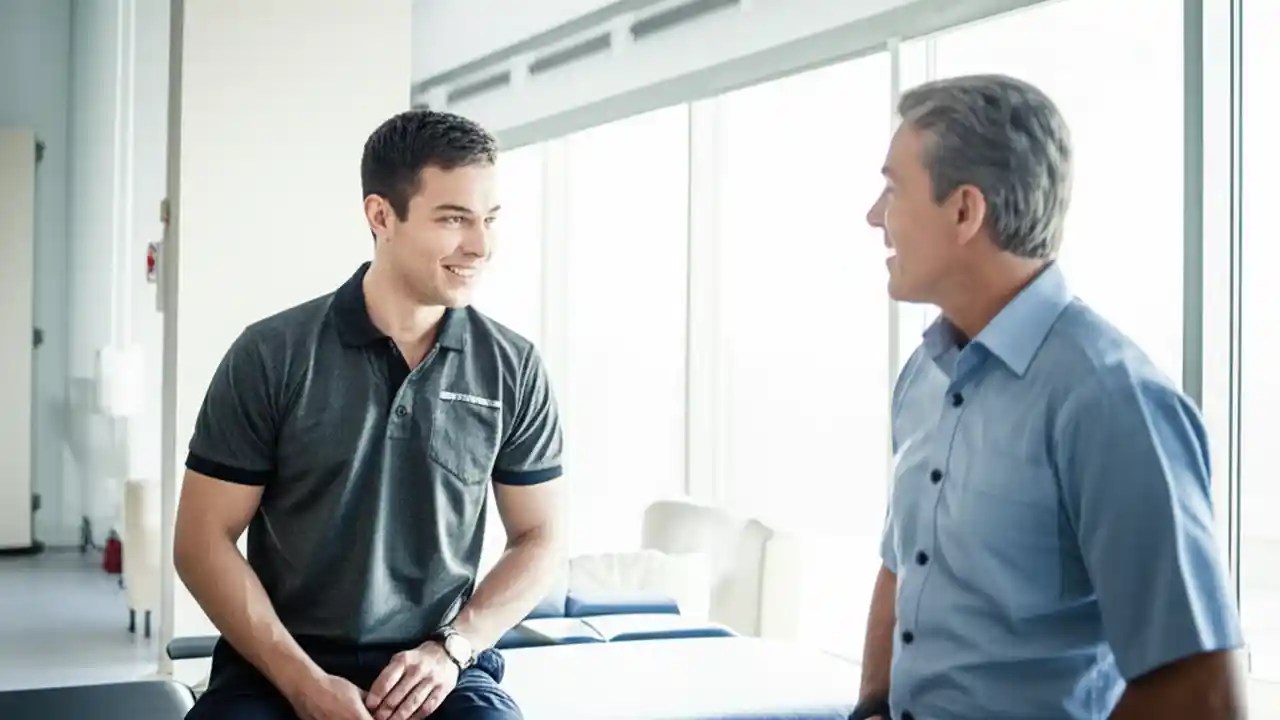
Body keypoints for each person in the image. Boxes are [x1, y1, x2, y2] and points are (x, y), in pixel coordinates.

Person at [853, 74, 1246, 720]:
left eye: (893, 190)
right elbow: (901, 567)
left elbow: (1202, 692)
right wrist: (872, 704)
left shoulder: (1111, 400)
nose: (875, 215)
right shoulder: (924, 377)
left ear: (964, 211)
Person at [175, 109, 565, 720]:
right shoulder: (271, 355)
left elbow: (541, 540)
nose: (482, 246)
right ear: (382, 216)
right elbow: (201, 541)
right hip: (278, 664)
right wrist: (302, 683)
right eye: (454, 218)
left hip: (440, 666)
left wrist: (452, 648)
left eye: (489, 219)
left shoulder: (512, 366)